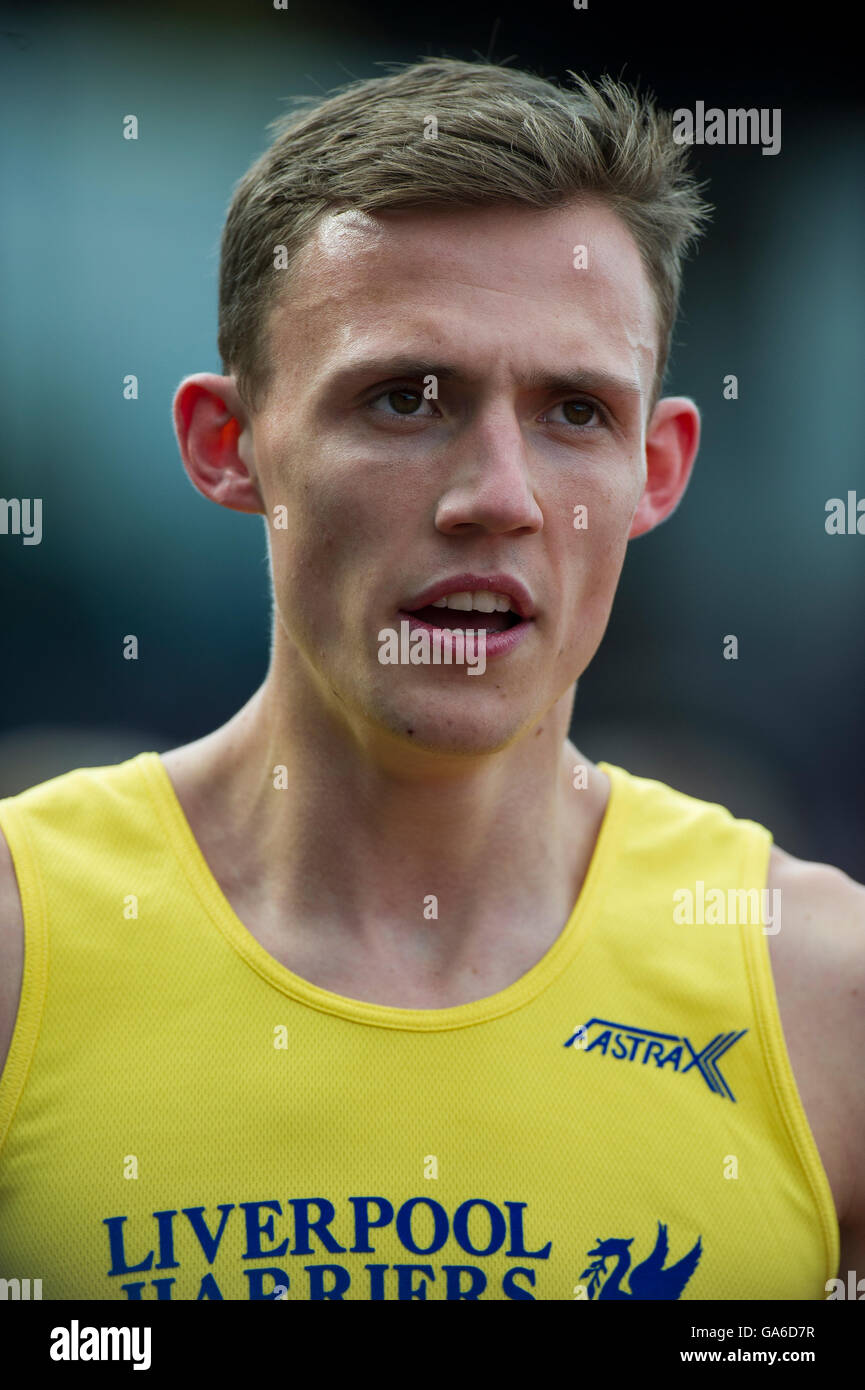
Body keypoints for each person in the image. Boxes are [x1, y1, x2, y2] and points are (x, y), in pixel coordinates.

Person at [0, 57, 862, 1303]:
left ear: (655, 472)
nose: (497, 498)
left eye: (574, 411)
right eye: (407, 399)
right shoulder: (23, 948)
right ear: (228, 446)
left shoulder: (817, 987)